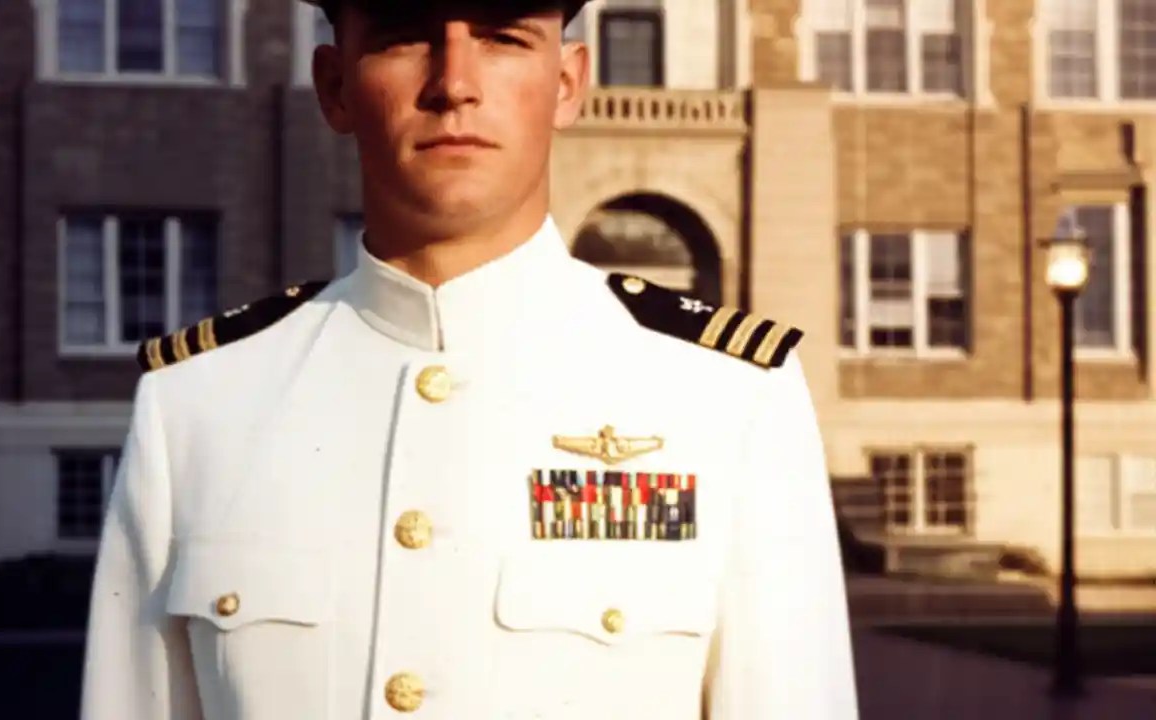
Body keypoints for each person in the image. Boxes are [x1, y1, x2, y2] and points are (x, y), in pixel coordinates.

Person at [79, 0, 860, 717]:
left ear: (567, 83)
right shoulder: (198, 402)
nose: (454, 83)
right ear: (335, 88)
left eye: (501, 37)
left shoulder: (730, 397)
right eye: (404, 36)